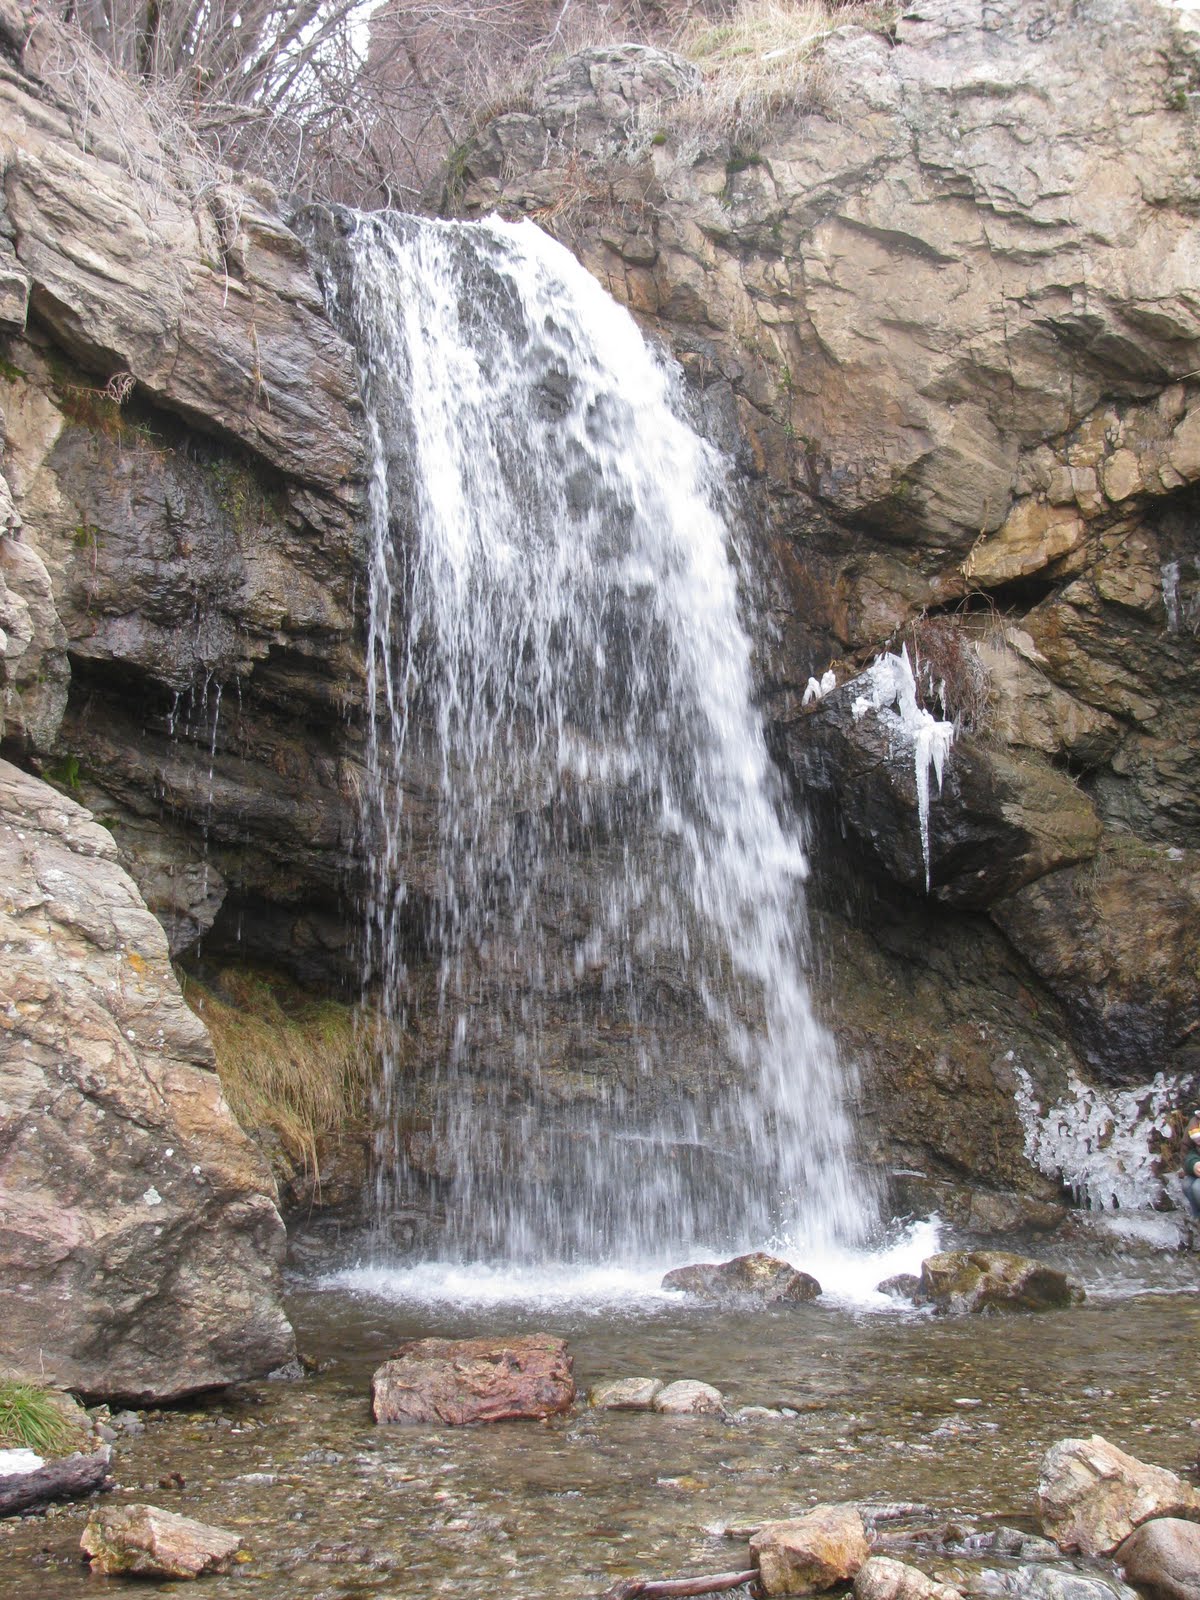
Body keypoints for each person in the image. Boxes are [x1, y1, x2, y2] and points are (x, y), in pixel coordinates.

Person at [1181, 1112, 1200, 1220]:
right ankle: (1197, 1220)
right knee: (1187, 1185)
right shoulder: (1195, 1123)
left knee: (1197, 1188)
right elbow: (1187, 1153)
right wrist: (1194, 1164)